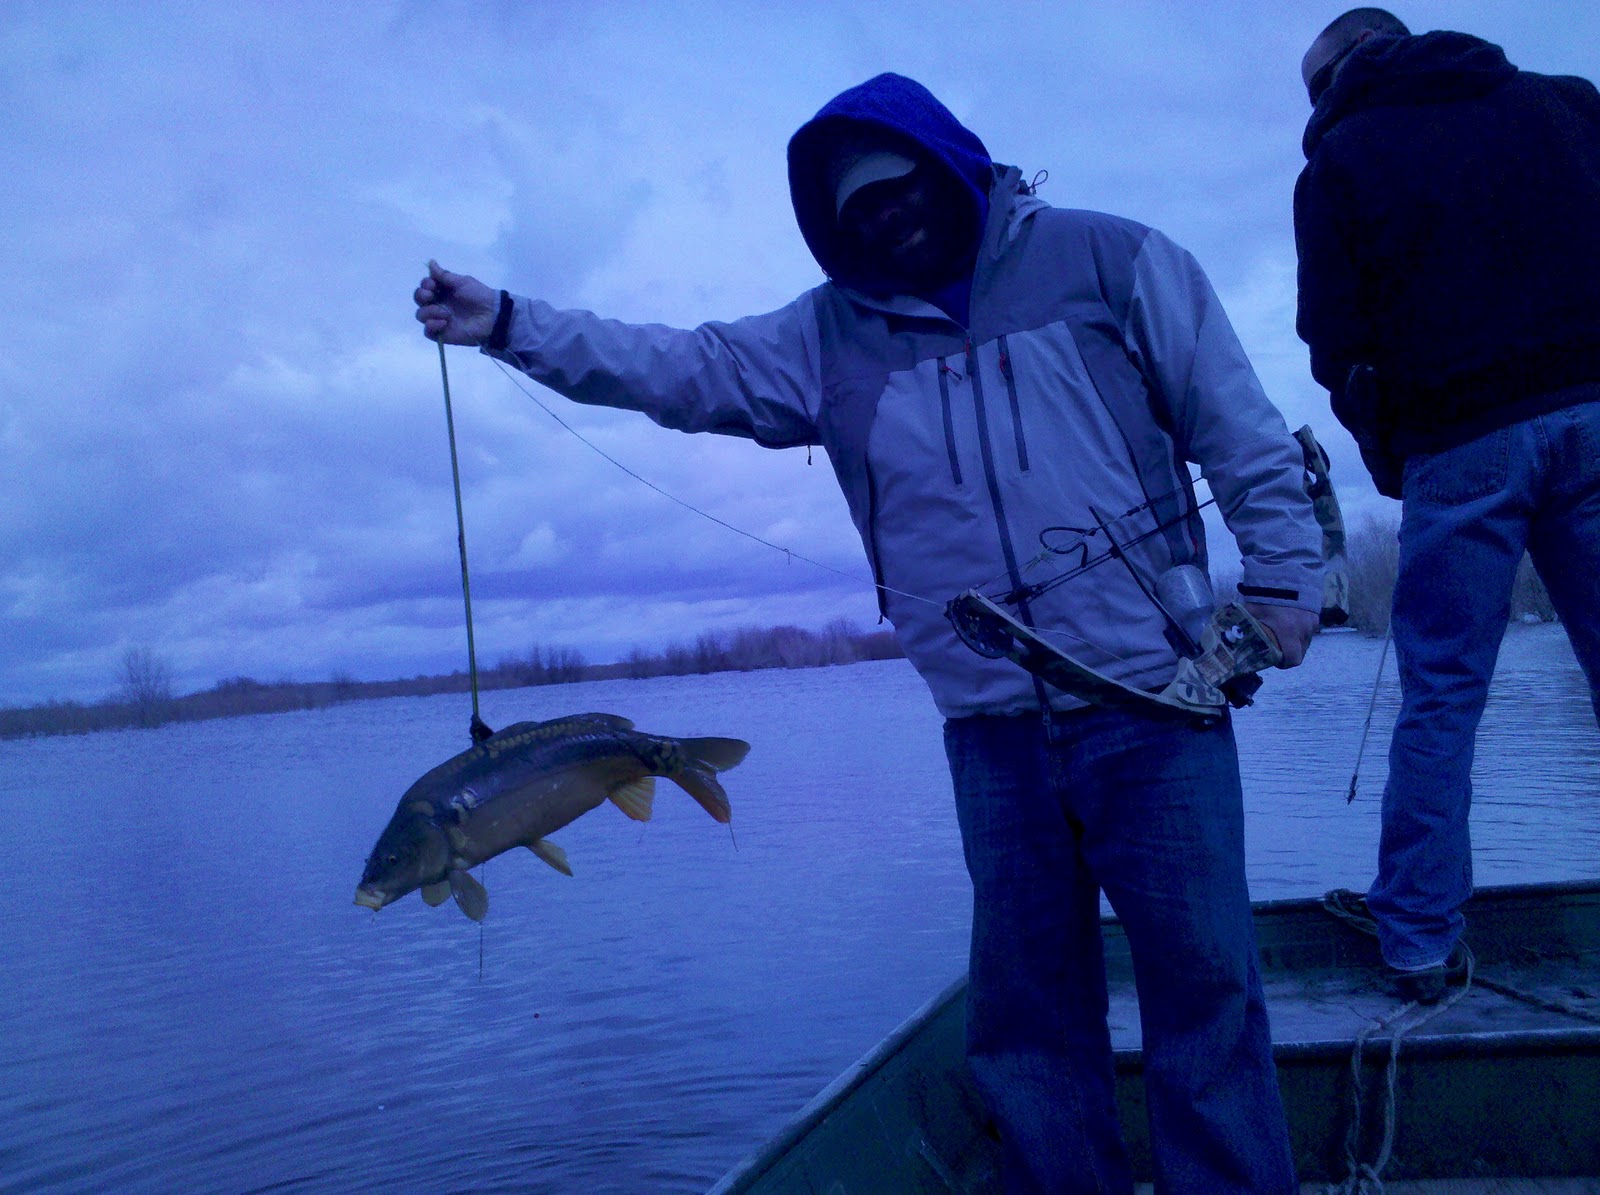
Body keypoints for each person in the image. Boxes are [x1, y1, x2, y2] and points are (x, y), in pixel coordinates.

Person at [417, 72, 1322, 1192]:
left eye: (901, 188)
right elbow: (671, 364)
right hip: (989, 730)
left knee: (1205, 999)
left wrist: (1283, 580)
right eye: (857, 212)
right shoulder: (820, 338)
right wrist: (508, 322)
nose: (888, 216)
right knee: (1027, 1022)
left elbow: (1237, 426)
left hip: (1156, 705)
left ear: (948, 163)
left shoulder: (1111, 260)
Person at [1294, 9, 1600, 1002]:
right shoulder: (1566, 103)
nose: (1315, 107)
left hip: (1461, 444)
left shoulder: (1337, 160)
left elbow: (1336, 345)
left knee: (1441, 698)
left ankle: (1420, 942)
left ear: (1341, 74)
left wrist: (1392, 461)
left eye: (1313, 86)